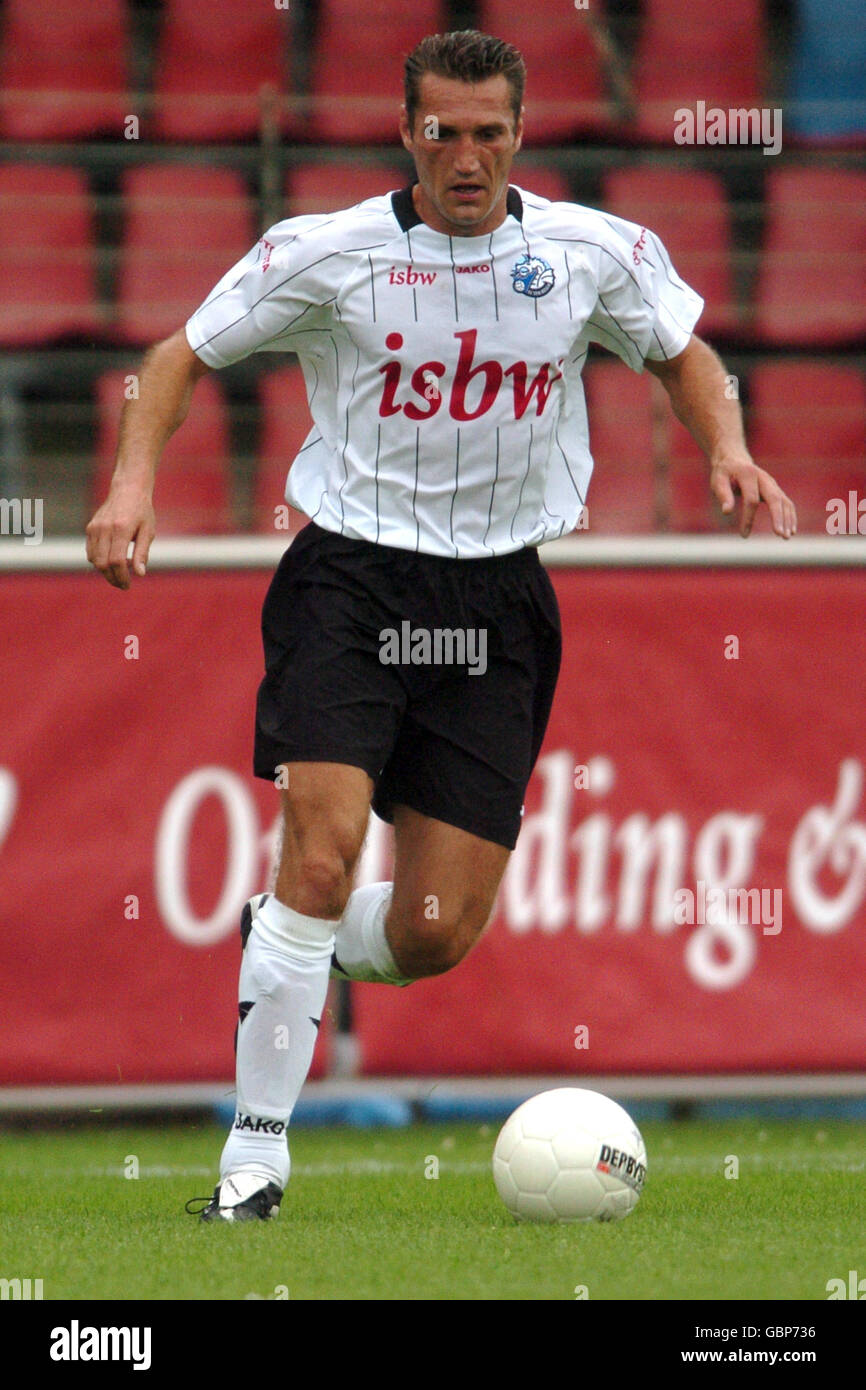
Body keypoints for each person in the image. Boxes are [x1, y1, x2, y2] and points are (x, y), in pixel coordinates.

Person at [85, 30, 796, 1222]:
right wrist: (128, 485)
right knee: (320, 849)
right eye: (441, 132)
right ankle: (254, 1159)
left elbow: (684, 353)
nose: (465, 156)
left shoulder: (588, 252)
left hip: (498, 603)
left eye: (487, 132)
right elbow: (171, 361)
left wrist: (723, 444)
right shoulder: (327, 253)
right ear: (405, 131)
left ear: (519, 132)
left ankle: (287, 939)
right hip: (351, 583)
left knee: (431, 934)